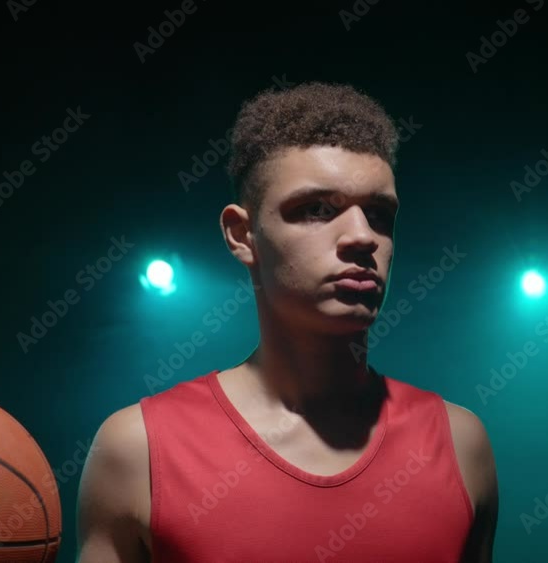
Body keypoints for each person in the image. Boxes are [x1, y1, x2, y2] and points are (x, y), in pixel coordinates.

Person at [76, 81, 498, 562]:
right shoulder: (138, 450)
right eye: (316, 209)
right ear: (242, 234)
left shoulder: (462, 446)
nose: (363, 237)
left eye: (380, 214)